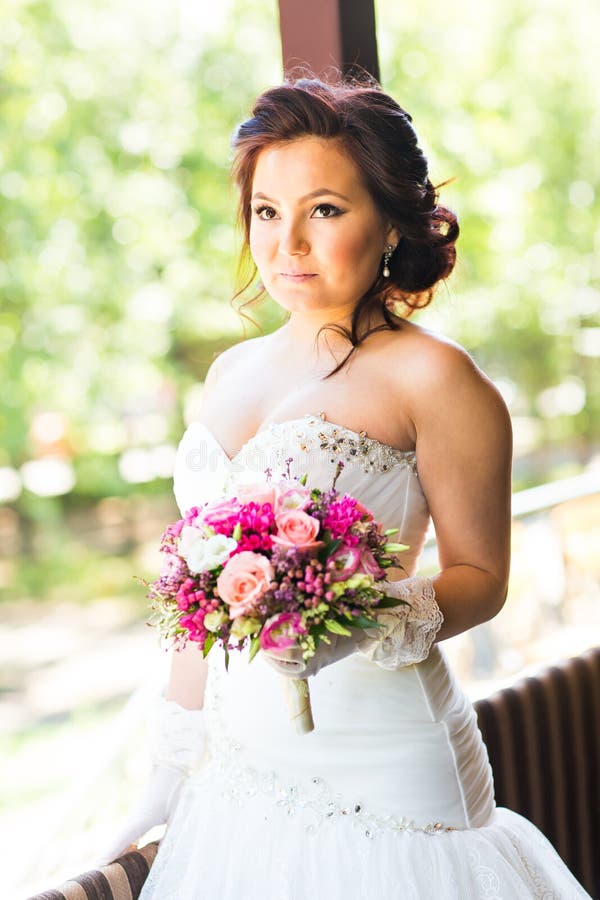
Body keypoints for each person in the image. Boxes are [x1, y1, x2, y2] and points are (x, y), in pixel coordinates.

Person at [100, 77, 591, 898]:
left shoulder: (438, 379)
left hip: (392, 771)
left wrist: (361, 620)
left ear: (392, 221)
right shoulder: (229, 373)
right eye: (266, 211)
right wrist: (175, 755)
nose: (288, 243)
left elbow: (484, 578)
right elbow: (200, 597)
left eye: (324, 210)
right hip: (243, 770)